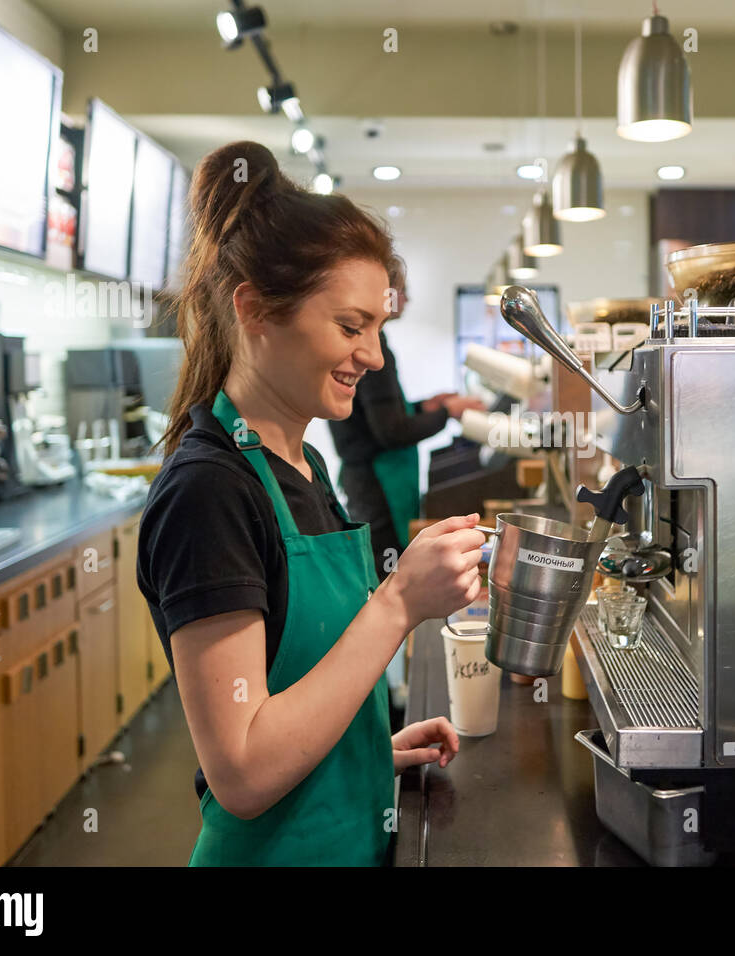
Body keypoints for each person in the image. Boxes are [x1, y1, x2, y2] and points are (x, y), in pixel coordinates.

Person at [137, 141, 486, 866]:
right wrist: (397, 603)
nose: (375, 356)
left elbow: (288, 694)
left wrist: (367, 752)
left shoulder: (303, 464)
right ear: (256, 310)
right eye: (351, 326)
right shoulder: (210, 492)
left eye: (379, 329)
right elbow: (241, 770)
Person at [328, 283, 484, 582]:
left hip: (373, 480)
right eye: (402, 289)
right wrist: (447, 412)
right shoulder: (375, 349)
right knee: (387, 575)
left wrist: (425, 407)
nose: (409, 298)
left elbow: (382, 415)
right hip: (378, 484)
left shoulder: (373, 343)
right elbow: (391, 430)